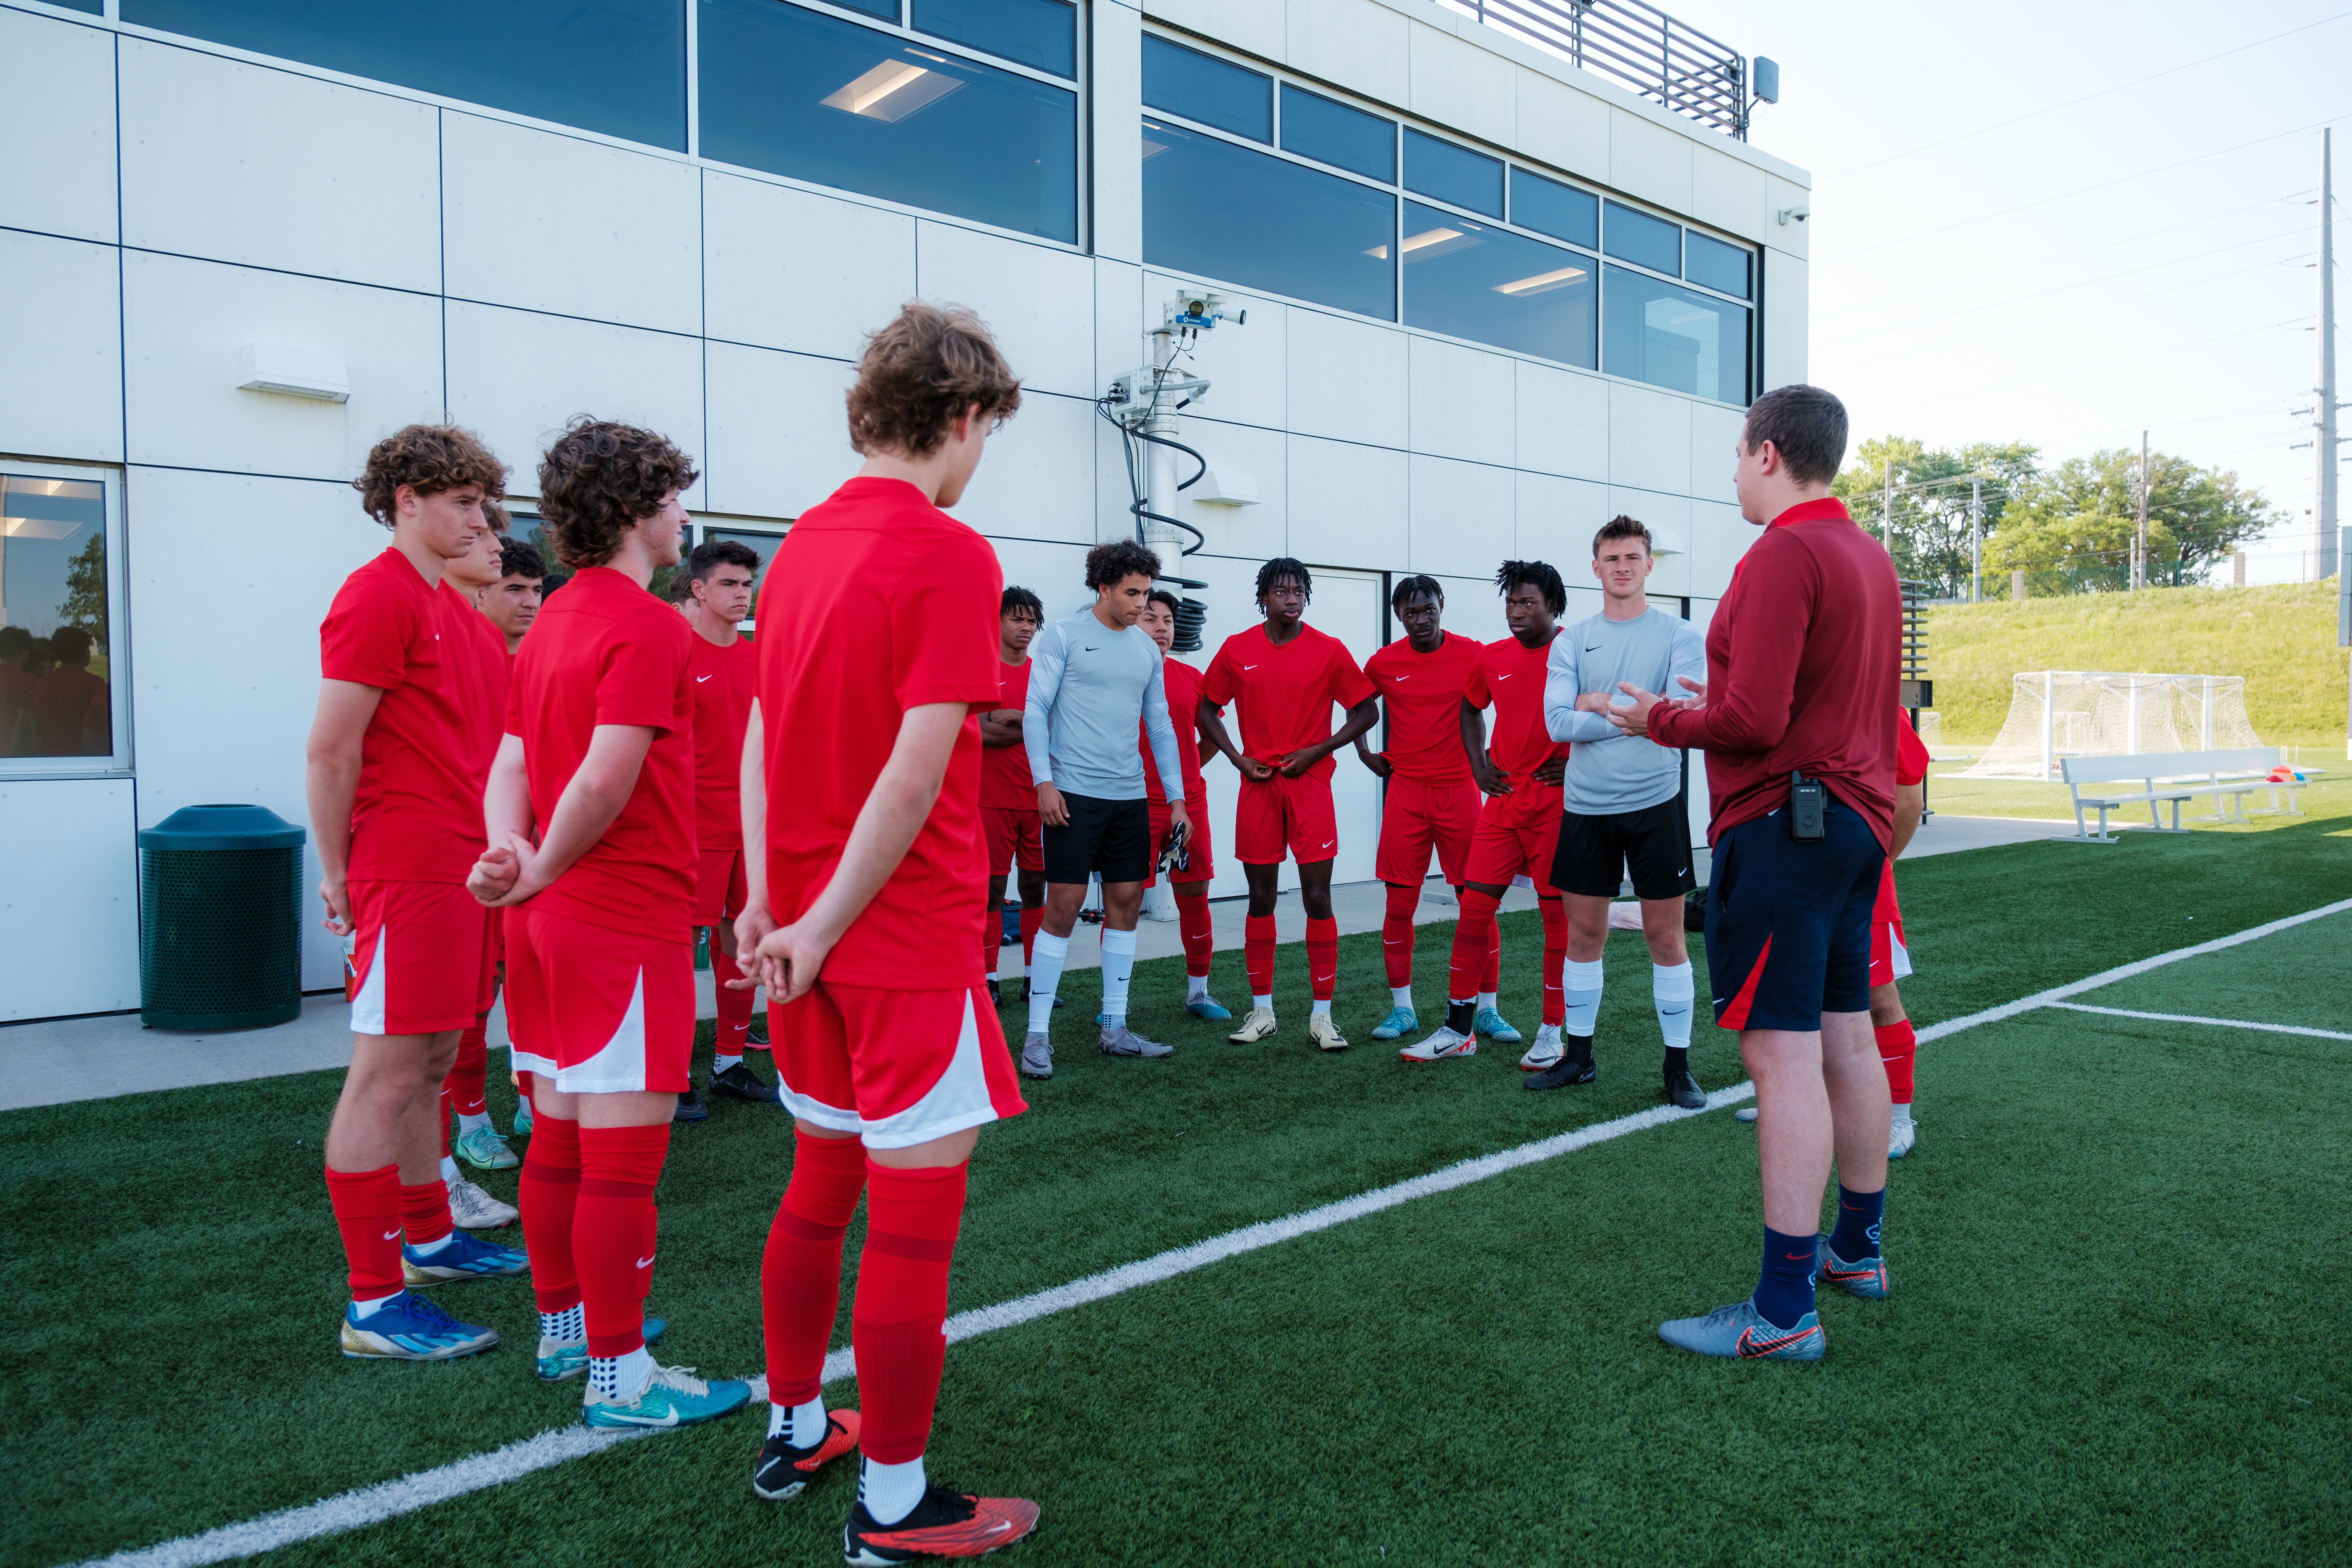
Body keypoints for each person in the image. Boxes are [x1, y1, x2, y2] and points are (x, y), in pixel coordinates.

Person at [735, 303, 1037, 1555]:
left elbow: (761, 736)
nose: (981, 457)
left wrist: (771, 903)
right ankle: (897, 1508)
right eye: (987, 431)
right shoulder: (949, 551)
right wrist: (814, 919)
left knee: (818, 1188)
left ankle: (797, 1425)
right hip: (897, 936)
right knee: (912, 1227)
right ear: (961, 417)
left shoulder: (798, 544)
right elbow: (916, 773)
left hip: (804, 932)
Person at [1606, 384, 1901, 1361]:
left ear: (1768, 453)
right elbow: (1806, 696)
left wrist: (1659, 718)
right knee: (1846, 1035)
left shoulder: (1781, 552)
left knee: (1780, 1059)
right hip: (1850, 825)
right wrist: (1718, 697)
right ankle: (1856, 1253)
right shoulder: (1868, 555)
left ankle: (1782, 1312)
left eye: (1739, 453)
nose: (1733, 471)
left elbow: (1753, 723)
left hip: (1786, 828)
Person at [470, 417, 748, 1426]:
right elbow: (603, 777)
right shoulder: (647, 625)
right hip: (618, 916)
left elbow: (511, 763)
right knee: (620, 1169)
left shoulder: (549, 620)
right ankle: (619, 1378)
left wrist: (513, 859)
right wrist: (536, 861)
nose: (685, 516)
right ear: (635, 509)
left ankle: (567, 1332)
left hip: (549, 921)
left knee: (558, 1141)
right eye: (673, 498)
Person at [307, 424, 526, 1363]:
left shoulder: (458, 614)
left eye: (484, 505)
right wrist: (337, 874)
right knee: (387, 1074)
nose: (483, 523)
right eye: (464, 504)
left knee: (435, 1063)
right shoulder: (376, 595)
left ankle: (430, 1238)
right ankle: (373, 1305)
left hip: (462, 871)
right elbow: (331, 750)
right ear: (407, 500)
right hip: (404, 868)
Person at [1535, 517, 1709, 1104]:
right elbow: (1557, 723)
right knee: (1584, 936)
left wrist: (1596, 704)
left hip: (1655, 803)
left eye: (1632, 557)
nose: (1622, 567)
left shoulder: (1679, 634)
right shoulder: (1571, 640)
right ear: (1595, 568)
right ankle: (1578, 1058)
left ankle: (1677, 1068)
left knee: (1665, 937)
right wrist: (1638, 715)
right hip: (1586, 807)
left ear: (1649, 565)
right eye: (1611, 558)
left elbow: (1680, 717)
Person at [1016, 540, 1189, 1078]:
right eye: (1132, 594)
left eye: (1146, 593)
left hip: (1129, 798)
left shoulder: (1145, 650)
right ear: (1104, 588)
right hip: (1071, 795)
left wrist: (1177, 800)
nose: (1142, 605)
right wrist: (1044, 783)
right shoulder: (1064, 635)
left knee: (1127, 905)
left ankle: (1114, 1028)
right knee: (1063, 909)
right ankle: (1037, 1036)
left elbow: (1159, 725)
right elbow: (1035, 710)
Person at [1198, 558, 1379, 1050]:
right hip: (1258, 785)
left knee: (1317, 898)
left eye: (1298, 590)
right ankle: (1262, 1012)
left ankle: (1322, 1016)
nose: (1291, 598)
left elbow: (1366, 710)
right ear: (1263, 598)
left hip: (1310, 785)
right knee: (1260, 899)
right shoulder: (1237, 649)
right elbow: (1207, 709)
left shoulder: (1328, 649)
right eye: (1281, 591)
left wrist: (1319, 750)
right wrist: (1237, 759)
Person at [1399, 563, 1570, 1066]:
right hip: (1502, 805)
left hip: (1556, 808)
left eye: (1527, 603)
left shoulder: (1577, 652)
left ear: (1552, 606)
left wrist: (1581, 763)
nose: (1516, 612)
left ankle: (1552, 1032)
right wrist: (1478, 766)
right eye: (1511, 602)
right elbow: (1470, 707)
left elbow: (1610, 712)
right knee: (1473, 911)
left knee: (1557, 922)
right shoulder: (1492, 657)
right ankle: (1458, 1030)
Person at [1356, 576, 1501, 1044]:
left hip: (1460, 791)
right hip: (1407, 793)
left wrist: (1494, 759)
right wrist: (1365, 752)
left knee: (1476, 903)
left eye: (1428, 610)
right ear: (1399, 616)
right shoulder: (1384, 662)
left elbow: (1507, 700)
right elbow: (1357, 705)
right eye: (1410, 613)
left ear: (1442, 605)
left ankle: (1488, 1010)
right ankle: (1403, 1009)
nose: (1421, 620)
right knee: (1399, 904)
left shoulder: (1473, 654)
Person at [435, 523, 523, 1222]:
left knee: (511, 985)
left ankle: (524, 1102)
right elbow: (339, 748)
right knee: (440, 1025)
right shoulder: (395, 608)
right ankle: (461, 1137)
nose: (529, 600)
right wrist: (342, 871)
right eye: (514, 588)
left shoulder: (505, 652)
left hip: (506, 851)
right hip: (437, 865)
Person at [681, 537, 778, 1113]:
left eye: (747, 584)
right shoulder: (675, 654)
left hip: (753, 832)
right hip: (692, 831)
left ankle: (728, 1064)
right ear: (698, 589)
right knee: (679, 954)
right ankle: (672, 1072)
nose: (743, 594)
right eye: (729, 584)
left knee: (745, 948)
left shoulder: (759, 658)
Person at [1138, 588, 1230, 1020]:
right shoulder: (1115, 677)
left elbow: (1212, 736)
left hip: (1188, 804)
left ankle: (1199, 994)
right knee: (1124, 900)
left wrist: (1184, 769)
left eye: (1168, 621)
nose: (1161, 628)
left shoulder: (1192, 677)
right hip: (1134, 804)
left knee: (1194, 895)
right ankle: (1113, 1004)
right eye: (1150, 618)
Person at [977, 586, 1046, 1007]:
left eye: (1032, 620)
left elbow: (1060, 729)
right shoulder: (982, 671)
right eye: (1017, 618)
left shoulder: (1043, 674)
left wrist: (1020, 717)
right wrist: (1037, 725)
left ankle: (1034, 979)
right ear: (998, 621)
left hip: (1040, 799)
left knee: (1036, 887)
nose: (1026, 627)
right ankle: (988, 978)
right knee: (992, 890)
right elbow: (981, 734)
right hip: (991, 798)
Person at [1873, 717, 1932, 1159]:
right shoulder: (1773, 695)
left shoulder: (1871, 699)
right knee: (1796, 992)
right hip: (1786, 877)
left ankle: (1898, 1118)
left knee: (1878, 999)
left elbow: (1910, 801)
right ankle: (1801, 1096)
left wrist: (1877, 861)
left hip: (1856, 881)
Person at [32, 624, 107, 756]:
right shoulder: (96, 684)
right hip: (86, 759)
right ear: (85, 653)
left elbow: (36, 735)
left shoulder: (40, 685)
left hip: (51, 759)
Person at [481, 534, 547, 654]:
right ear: (481, 594)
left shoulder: (551, 656)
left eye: (537, 591)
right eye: (516, 590)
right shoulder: (456, 653)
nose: (532, 604)